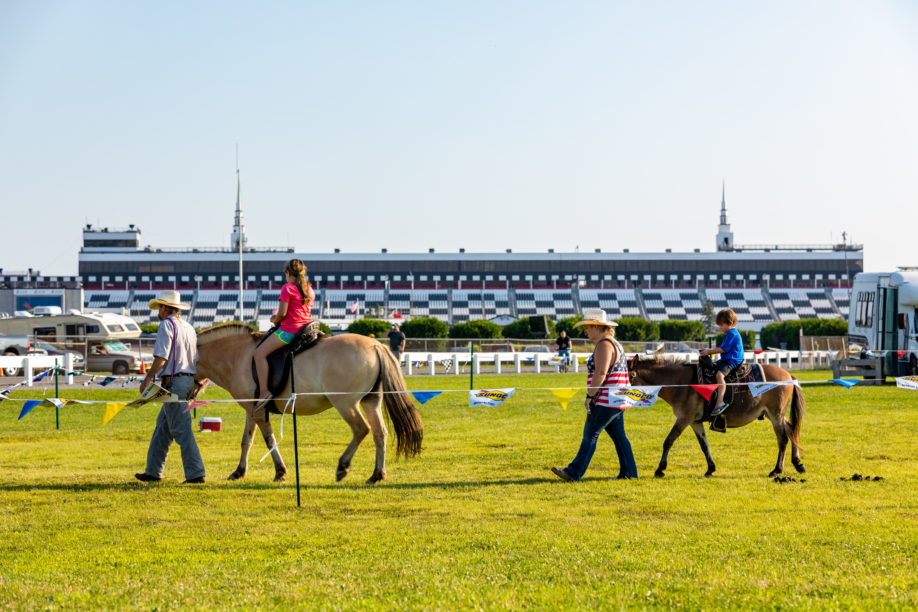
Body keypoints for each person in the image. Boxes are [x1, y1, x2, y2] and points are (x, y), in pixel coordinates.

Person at [551, 308, 638, 481]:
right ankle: (629, 473)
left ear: (597, 326)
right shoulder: (614, 343)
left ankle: (573, 472)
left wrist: (590, 396)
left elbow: (600, 373)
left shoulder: (604, 344)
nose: (585, 331)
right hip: (617, 398)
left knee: (590, 434)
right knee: (620, 437)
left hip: (606, 399)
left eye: (588, 327)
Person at [135, 290, 205, 484]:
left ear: (165, 308)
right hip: (186, 380)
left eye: (159, 307)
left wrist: (148, 378)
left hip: (172, 382)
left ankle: (196, 474)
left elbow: (161, 356)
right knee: (162, 428)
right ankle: (153, 471)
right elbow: (195, 359)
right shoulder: (189, 328)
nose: (158, 311)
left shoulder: (166, 325)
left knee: (182, 430)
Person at [252, 259, 315, 412]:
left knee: (259, 353)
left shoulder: (287, 288)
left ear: (288, 273)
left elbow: (282, 314)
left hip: (289, 331)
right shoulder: (309, 289)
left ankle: (264, 391)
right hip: (307, 328)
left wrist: (274, 319)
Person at [699, 308, 744, 416]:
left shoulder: (732, 334)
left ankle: (720, 401)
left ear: (730, 323)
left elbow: (723, 349)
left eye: (721, 325)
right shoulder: (730, 333)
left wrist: (709, 352)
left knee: (719, 375)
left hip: (732, 360)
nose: (720, 328)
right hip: (726, 359)